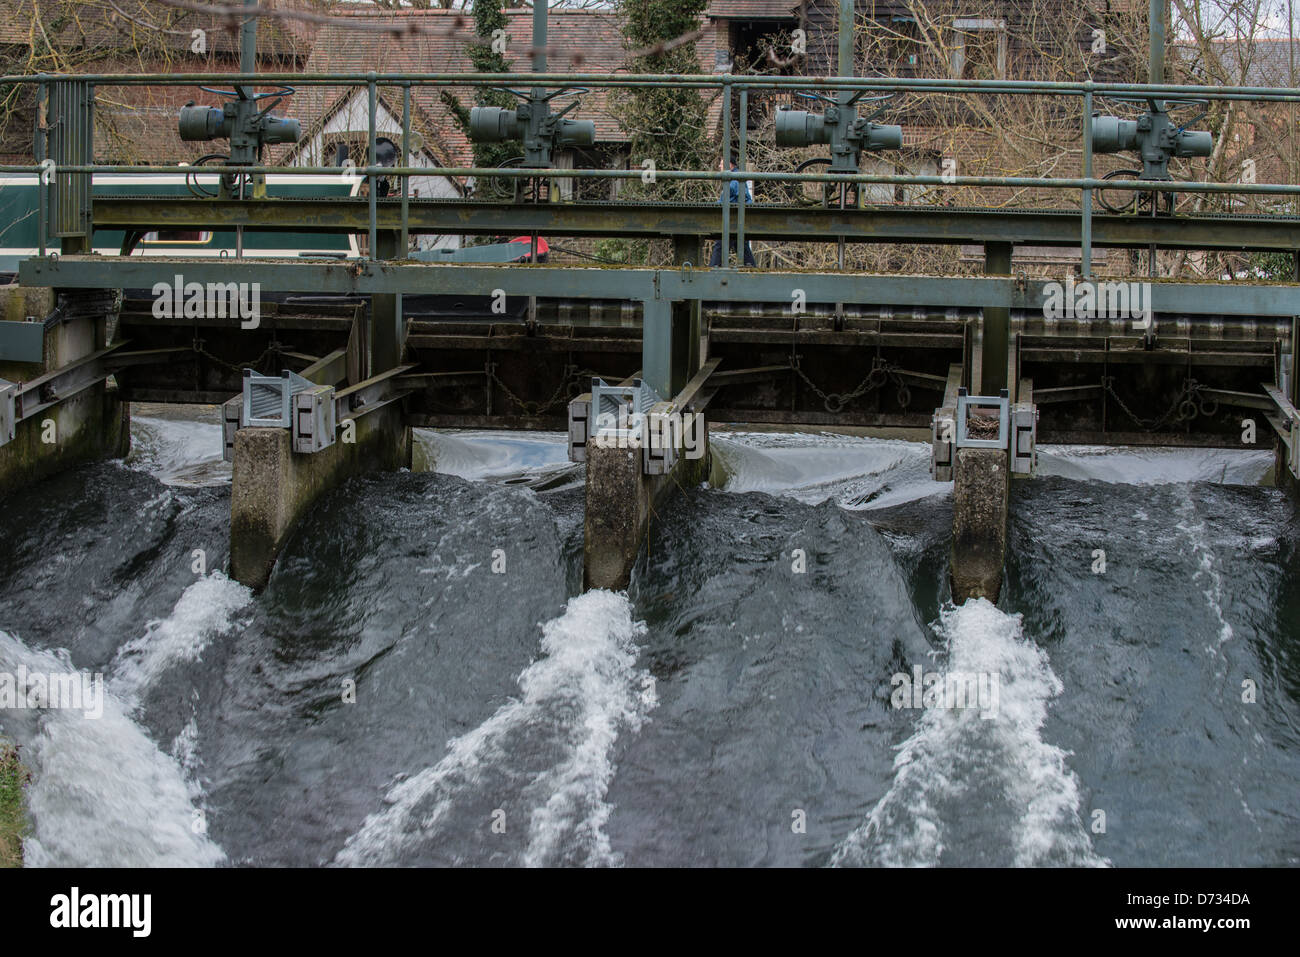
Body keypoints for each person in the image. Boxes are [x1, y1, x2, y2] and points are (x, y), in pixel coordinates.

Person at [710, 157, 757, 267]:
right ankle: (751, 267)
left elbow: (745, 199)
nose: (719, 166)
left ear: (730, 165)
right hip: (734, 218)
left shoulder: (734, 180)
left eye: (722, 164)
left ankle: (713, 268)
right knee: (739, 244)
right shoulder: (733, 179)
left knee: (721, 244)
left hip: (733, 219)